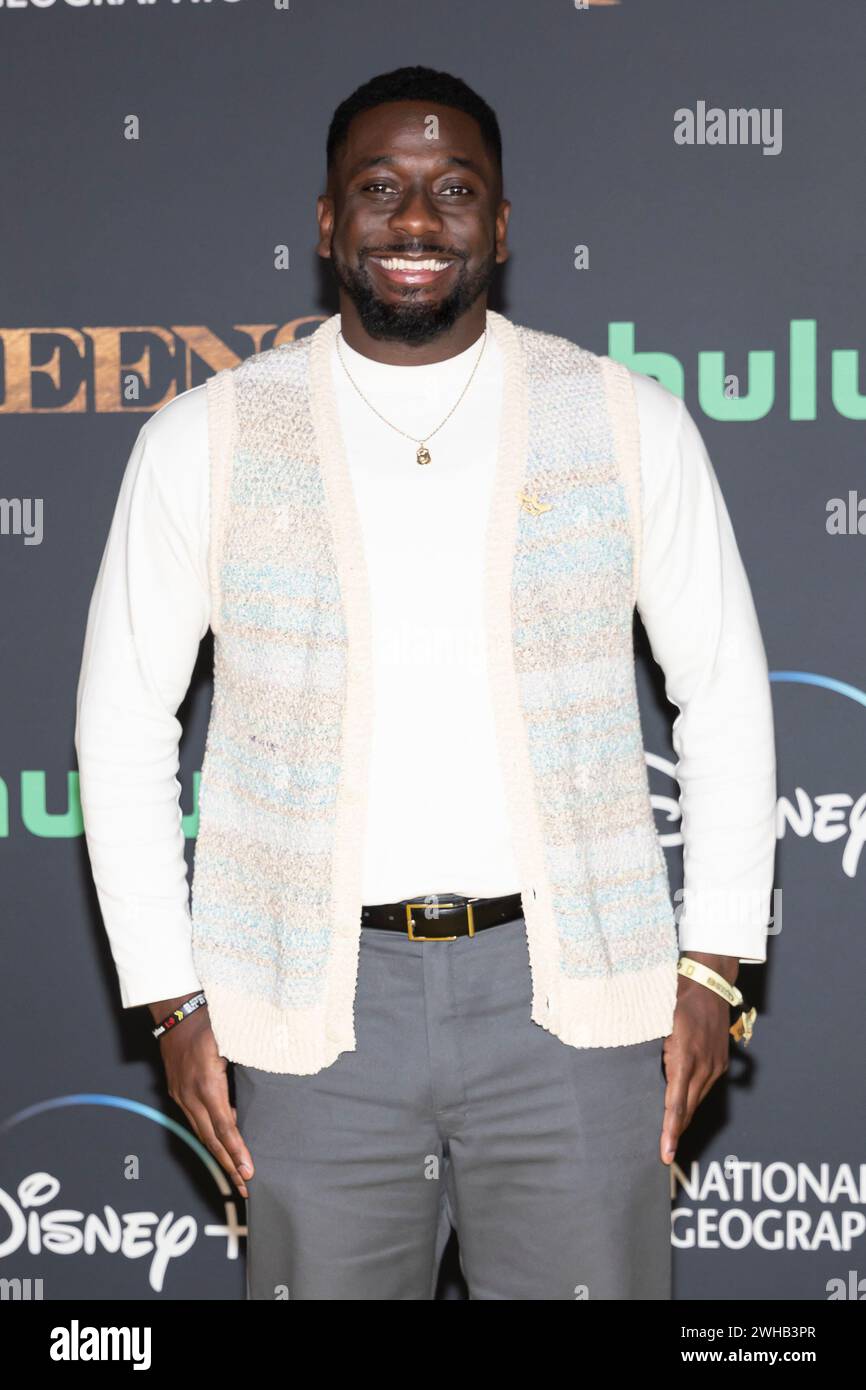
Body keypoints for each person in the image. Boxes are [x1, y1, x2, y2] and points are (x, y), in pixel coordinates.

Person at [74, 65, 777, 1300]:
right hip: (304, 1007)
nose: (413, 221)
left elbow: (720, 694)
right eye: (379, 189)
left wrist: (715, 963)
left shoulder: (622, 422)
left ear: (500, 227)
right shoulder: (207, 439)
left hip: (574, 1008)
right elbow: (123, 725)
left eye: (452, 190)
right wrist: (172, 997)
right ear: (325, 220)